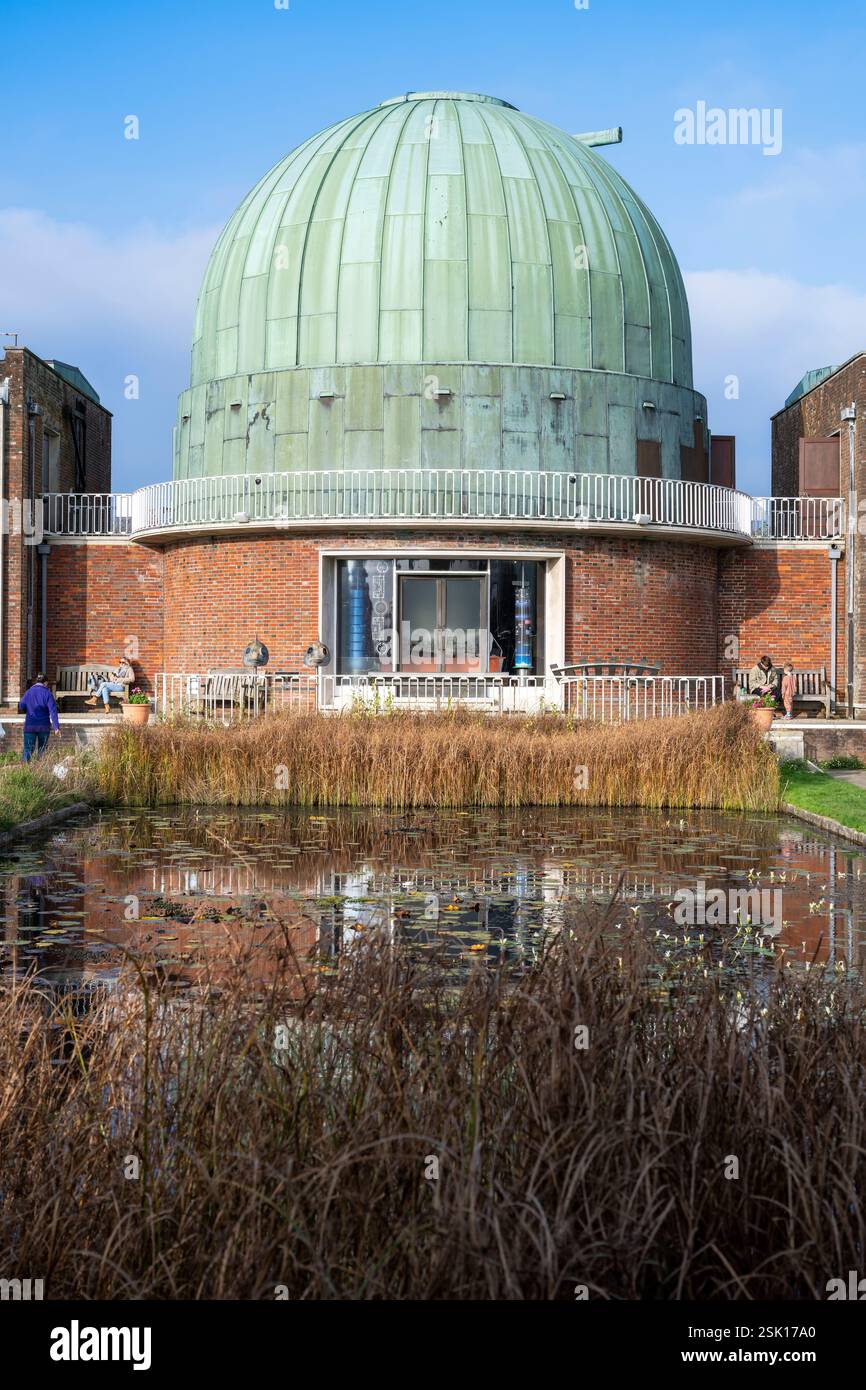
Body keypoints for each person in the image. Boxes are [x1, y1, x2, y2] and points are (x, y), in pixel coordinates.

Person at [18, 673, 60, 761]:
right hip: (44, 726)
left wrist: (29, 706)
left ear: (36, 681)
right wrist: (56, 727)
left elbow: (21, 706)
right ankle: (40, 768)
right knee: (42, 750)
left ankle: (25, 768)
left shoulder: (28, 692)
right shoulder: (48, 693)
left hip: (30, 725)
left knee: (27, 750)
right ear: (45, 683)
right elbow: (53, 711)